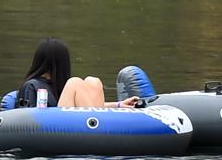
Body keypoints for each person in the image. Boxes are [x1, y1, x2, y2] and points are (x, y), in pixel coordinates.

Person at [10, 38, 146, 110]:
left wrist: (119, 105)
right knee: (74, 82)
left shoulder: (60, 86)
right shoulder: (32, 86)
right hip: (52, 129)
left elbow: (85, 106)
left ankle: (100, 129)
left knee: (93, 81)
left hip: (73, 125)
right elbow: (28, 117)